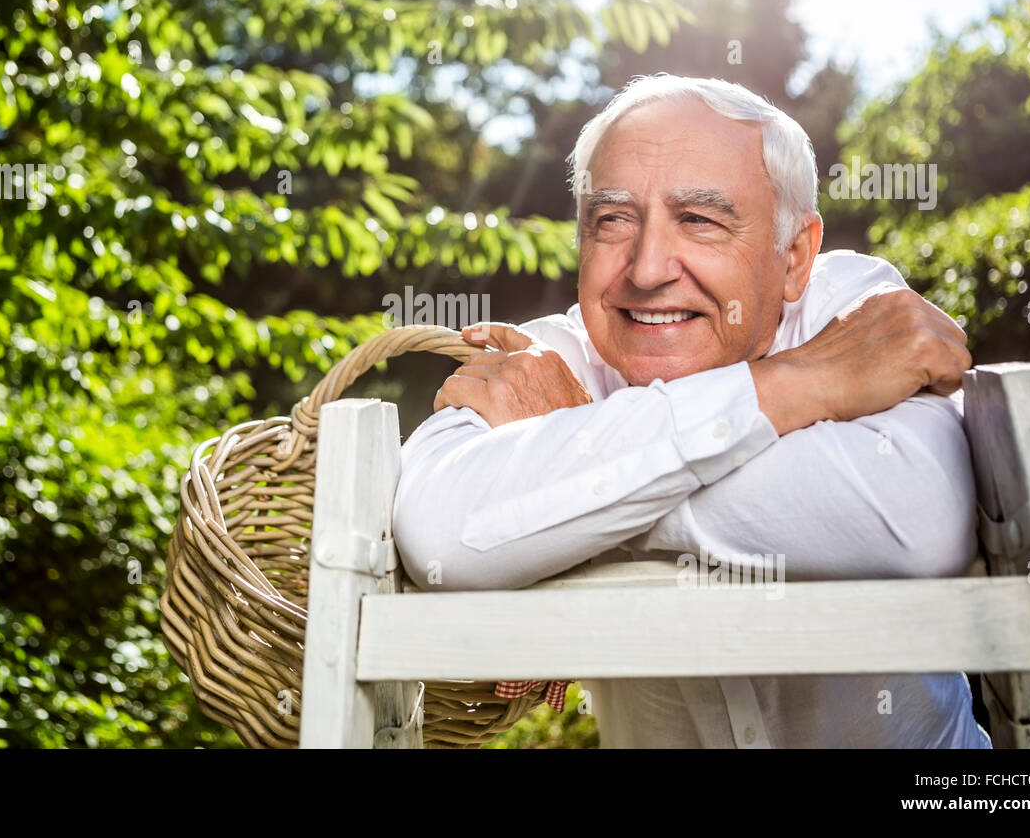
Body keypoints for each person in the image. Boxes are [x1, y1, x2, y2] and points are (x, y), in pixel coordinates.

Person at [391, 73, 992, 748]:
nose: (647, 270)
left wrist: (574, 515)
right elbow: (437, 531)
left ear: (794, 257)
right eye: (613, 220)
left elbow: (918, 521)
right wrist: (795, 382)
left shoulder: (855, 310)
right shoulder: (550, 358)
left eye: (700, 220)